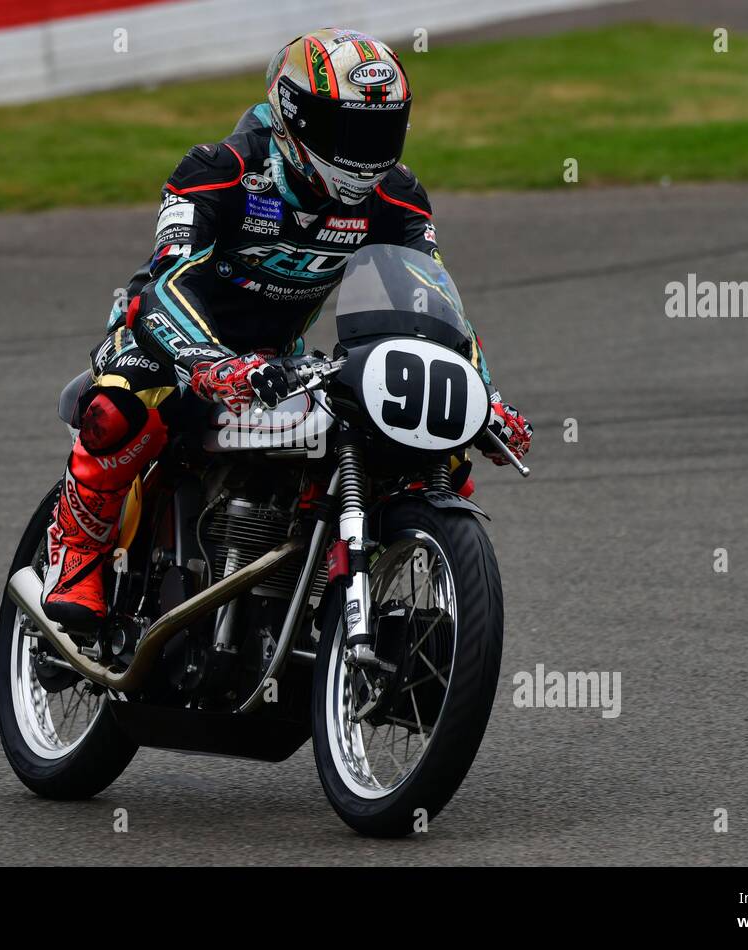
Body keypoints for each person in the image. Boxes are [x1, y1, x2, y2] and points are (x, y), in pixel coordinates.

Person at [43, 28, 532, 633]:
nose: (368, 151)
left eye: (383, 131)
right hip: (168, 340)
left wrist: (483, 393)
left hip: (279, 358)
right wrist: (208, 361)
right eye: (350, 131)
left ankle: (336, 580)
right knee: (120, 408)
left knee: (425, 438)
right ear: (295, 117)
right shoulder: (219, 170)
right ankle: (76, 554)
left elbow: (431, 297)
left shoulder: (398, 198)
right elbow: (163, 284)